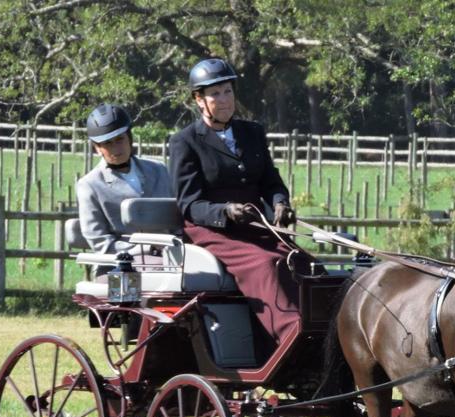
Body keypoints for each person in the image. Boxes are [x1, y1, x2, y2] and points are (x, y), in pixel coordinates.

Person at [168, 57, 310, 347]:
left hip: (254, 223)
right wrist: (225, 212)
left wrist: (280, 202)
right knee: (267, 264)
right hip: (211, 229)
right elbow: (189, 204)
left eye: (228, 91)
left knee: (301, 261)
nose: (224, 99)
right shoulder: (186, 141)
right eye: (215, 94)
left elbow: (270, 181)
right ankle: (291, 336)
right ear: (199, 100)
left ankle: (324, 326)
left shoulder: (252, 132)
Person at [71, 103, 174, 252]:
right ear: (97, 148)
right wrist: (144, 250)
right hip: (123, 261)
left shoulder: (159, 170)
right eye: (107, 143)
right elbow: (100, 241)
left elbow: (178, 218)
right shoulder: (90, 185)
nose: (116, 149)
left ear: (129, 138)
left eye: (120, 139)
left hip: (171, 256)